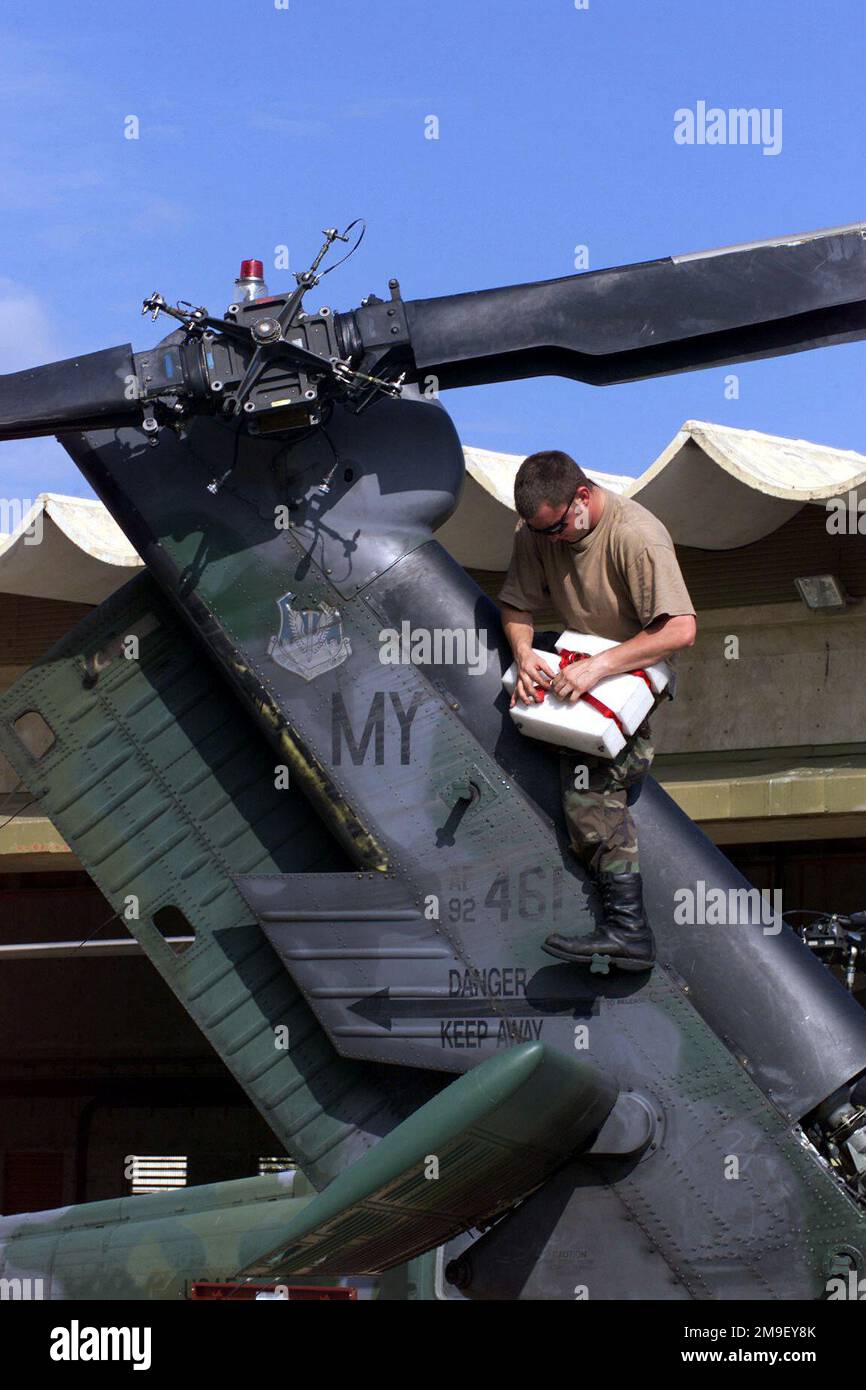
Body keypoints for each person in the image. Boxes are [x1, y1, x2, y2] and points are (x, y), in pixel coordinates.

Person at [498, 450, 697, 971]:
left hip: (633, 671)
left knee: (593, 789)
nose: (549, 541)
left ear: (583, 497)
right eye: (538, 531)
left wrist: (601, 666)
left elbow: (680, 631)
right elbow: (516, 604)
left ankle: (630, 933)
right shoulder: (537, 531)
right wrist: (522, 656)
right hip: (574, 661)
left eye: (558, 528)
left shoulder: (637, 536)